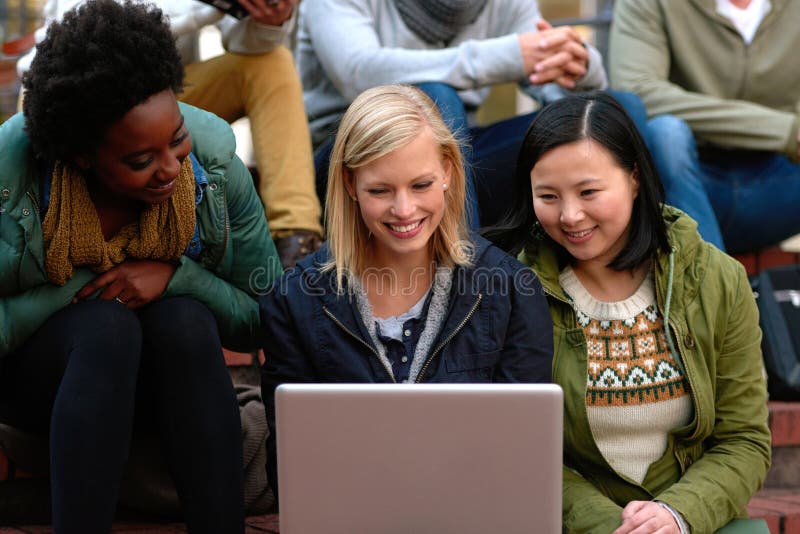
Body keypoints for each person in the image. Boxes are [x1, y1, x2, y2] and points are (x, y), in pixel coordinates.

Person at [0, 0, 282, 532]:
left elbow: (265, 317)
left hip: (163, 398)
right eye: (140, 161)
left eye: (176, 139)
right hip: (42, 393)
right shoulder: (10, 183)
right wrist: (83, 288)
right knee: (107, 326)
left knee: (184, 317)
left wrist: (181, 278)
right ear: (83, 156)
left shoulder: (214, 170)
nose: (172, 168)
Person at [491, 93, 771, 533]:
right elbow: (512, 451)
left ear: (634, 178)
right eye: (547, 195)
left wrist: (677, 515)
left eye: (588, 192)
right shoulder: (511, 290)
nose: (569, 215)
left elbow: (744, 439)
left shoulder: (717, 280)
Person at [259, 84, 554, 498]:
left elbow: (526, 457)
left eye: (420, 185)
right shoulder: (293, 301)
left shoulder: (511, 289)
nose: (404, 210)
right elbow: (289, 471)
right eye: (380, 190)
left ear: (449, 171)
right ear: (348, 183)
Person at [18, 0, 323, 268]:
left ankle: (297, 236)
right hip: (89, 106)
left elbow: (248, 46)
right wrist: (206, 7)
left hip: (168, 97)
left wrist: (266, 17)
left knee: (273, 62)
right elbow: (81, 35)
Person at [298, 0, 624, 229]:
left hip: (450, 162)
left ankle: (623, 276)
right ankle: (464, 275)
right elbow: (358, 72)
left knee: (619, 111)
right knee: (433, 100)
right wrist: (504, 55)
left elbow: (550, 83)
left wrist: (580, 65)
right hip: (351, 153)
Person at [609, 0, 800, 253]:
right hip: (685, 179)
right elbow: (637, 92)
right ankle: (711, 287)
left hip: (780, 178)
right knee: (666, 133)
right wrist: (786, 130)